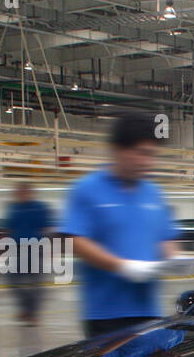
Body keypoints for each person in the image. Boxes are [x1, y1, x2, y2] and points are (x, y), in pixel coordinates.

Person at [60, 112, 179, 338]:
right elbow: (75, 239)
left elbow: (166, 239)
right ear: (118, 150)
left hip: (149, 310)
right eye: (142, 153)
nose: (148, 162)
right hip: (105, 315)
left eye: (152, 155)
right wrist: (122, 266)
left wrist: (173, 259)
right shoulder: (88, 189)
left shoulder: (153, 192)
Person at [3, 181, 54, 326]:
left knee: (35, 283)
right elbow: (9, 229)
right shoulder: (14, 208)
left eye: (23, 192)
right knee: (13, 281)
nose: (20, 195)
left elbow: (47, 229)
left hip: (35, 248)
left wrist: (50, 249)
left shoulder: (40, 208)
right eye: (18, 193)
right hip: (17, 248)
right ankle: (26, 308)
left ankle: (33, 314)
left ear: (30, 193)